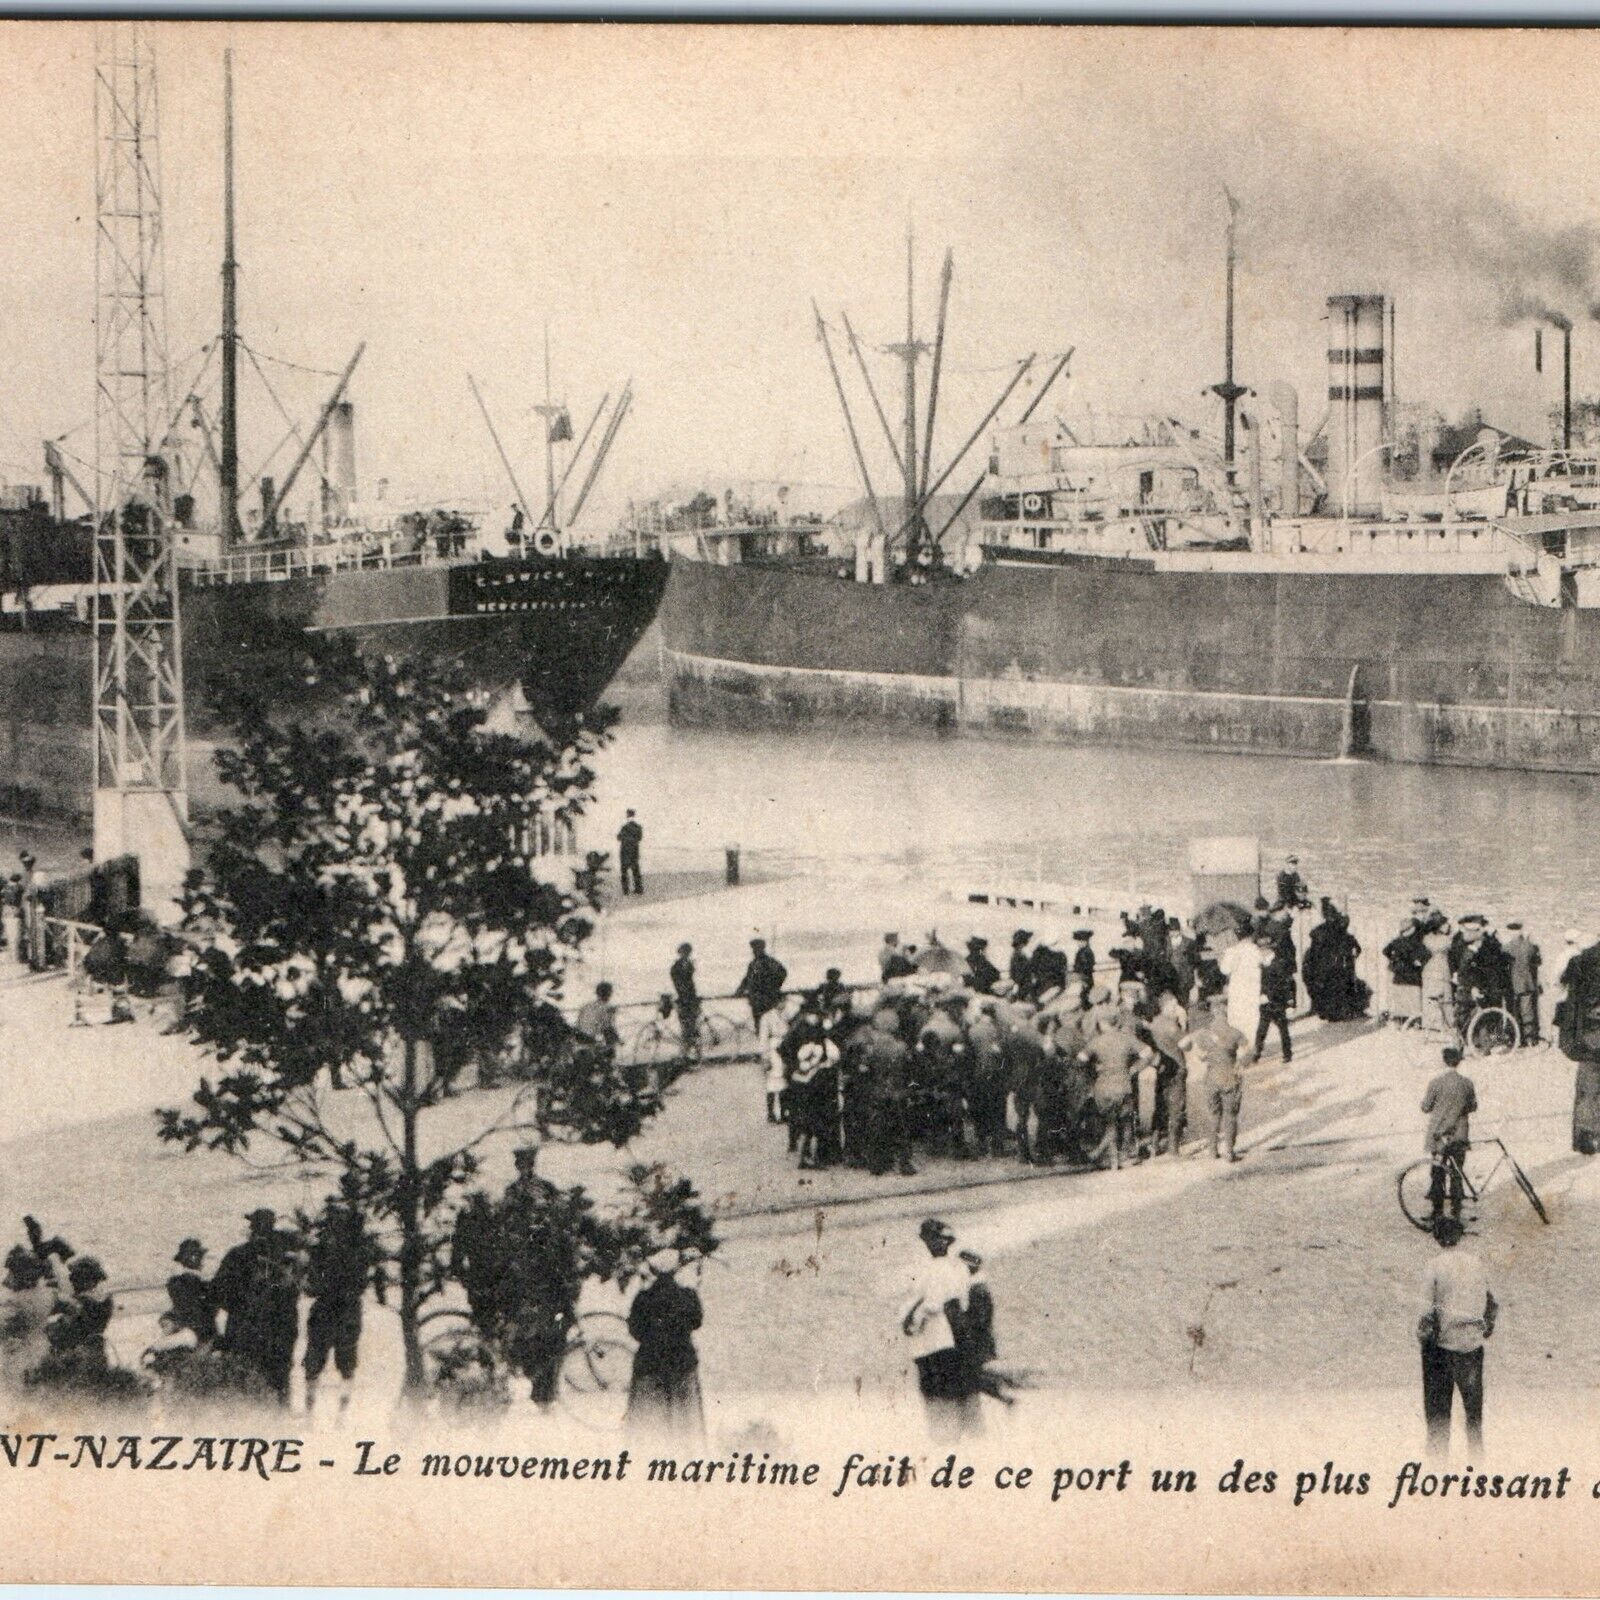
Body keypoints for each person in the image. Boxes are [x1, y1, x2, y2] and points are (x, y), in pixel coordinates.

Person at [303, 1182, 384, 1415]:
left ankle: (315, 1414)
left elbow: (311, 1286)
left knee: (317, 1363)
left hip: (329, 1309)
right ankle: (340, 1415)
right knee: (344, 1364)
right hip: (347, 1310)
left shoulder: (322, 1249)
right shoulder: (360, 1250)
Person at [1418, 1214, 1496, 1456]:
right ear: (1460, 1236)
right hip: (1472, 1347)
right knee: (1474, 1414)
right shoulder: (1476, 1263)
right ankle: (1477, 1462)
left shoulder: (1434, 1266)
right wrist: (1481, 1330)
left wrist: (1426, 1342)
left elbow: (1426, 1313)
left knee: (1438, 1416)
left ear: (1437, 1238)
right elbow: (1491, 1304)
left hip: (1443, 1348)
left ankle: (1437, 1467)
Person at [211, 1209, 301, 1402]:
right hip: (278, 1329)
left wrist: (239, 1306)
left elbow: (218, 1291)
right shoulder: (287, 1258)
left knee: (244, 1381)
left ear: (252, 1228)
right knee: (278, 1381)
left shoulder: (237, 1255)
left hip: (246, 1329)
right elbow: (294, 1292)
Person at [901, 1219, 976, 1439]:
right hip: (947, 1335)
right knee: (949, 1386)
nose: (932, 1244)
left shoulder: (933, 1269)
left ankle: (943, 1437)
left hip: (933, 1337)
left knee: (934, 1388)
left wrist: (912, 1321)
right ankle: (955, 1433)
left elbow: (931, 1304)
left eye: (934, 1240)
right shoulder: (957, 1267)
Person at [626, 1249, 705, 1440]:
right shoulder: (688, 1296)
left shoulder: (643, 1298)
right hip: (682, 1363)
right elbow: (697, 1322)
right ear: (676, 1269)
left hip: (649, 1364)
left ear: (653, 1269)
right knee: (685, 1424)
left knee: (648, 1424)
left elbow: (635, 1330)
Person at [1189, 996, 1251, 1162]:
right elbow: (1248, 1052)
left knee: (1213, 1114)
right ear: (1226, 1013)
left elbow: (1199, 1056)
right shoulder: (1235, 1032)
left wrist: (1210, 1056)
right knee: (1230, 1115)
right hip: (1229, 1076)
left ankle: (1212, 1150)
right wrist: (1239, 1064)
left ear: (1212, 1013)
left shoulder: (1203, 1034)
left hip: (1212, 1077)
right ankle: (1229, 1151)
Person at [1421, 1047, 1477, 1221]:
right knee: (1457, 1172)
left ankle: (1437, 1212)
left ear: (1443, 1061)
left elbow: (1425, 1107)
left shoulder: (1436, 1083)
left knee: (1437, 1172)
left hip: (1439, 1136)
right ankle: (1456, 1212)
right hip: (1459, 1134)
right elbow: (1473, 1106)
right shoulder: (1467, 1083)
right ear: (1458, 1062)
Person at [860, 1005, 916, 1176]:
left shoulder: (871, 1049)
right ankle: (905, 1163)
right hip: (898, 1092)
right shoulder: (901, 1047)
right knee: (901, 1128)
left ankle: (877, 1164)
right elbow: (909, 1070)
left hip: (878, 1092)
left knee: (878, 1128)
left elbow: (864, 1070)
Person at [1558, 933, 1600, 1154]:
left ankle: (1585, 1139)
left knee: (1587, 1088)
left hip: (1584, 1037)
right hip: (1593, 1033)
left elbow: (1566, 988)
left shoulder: (1580, 960)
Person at [1303, 898, 1369, 1022]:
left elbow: (1354, 947)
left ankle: (1333, 1012)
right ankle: (1333, 1012)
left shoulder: (1329, 931)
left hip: (1332, 964)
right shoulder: (1330, 931)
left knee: (1334, 987)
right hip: (1332, 964)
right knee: (1334, 987)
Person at [1146, 990, 1189, 1158]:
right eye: (1173, 1004)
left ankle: (1154, 1145)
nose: (1176, 1008)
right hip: (1177, 1067)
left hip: (1162, 1068)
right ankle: (1173, 1148)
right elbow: (1187, 1044)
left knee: (1160, 1106)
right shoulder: (1172, 1025)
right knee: (1176, 1108)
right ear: (1167, 1005)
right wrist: (1183, 1025)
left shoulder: (1154, 1023)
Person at [1383, 906, 1429, 1027]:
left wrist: (1393, 959)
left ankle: (1401, 1019)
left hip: (1399, 972)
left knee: (1400, 996)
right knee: (1413, 997)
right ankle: (1414, 1020)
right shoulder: (1416, 941)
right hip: (1412, 973)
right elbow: (1426, 954)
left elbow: (1385, 951)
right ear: (1412, 929)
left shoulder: (1397, 941)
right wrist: (1419, 962)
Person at [1254, 929, 1296, 1062]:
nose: (1259, 952)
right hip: (1265, 1002)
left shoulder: (1278, 963)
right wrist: (1261, 994)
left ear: (1268, 950)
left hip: (1277, 1001)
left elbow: (1287, 983)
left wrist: (1290, 1002)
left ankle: (1287, 1054)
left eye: (1261, 949)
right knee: (1262, 1030)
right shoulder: (1262, 964)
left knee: (1283, 1029)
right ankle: (1257, 1053)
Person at [165, 1238, 217, 1346]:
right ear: (193, 1258)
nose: (202, 1261)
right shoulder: (195, 1281)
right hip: (201, 1331)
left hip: (185, 1326)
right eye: (200, 1256)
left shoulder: (175, 1281)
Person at [1219, 929, 1266, 1040]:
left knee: (1237, 1017)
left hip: (1238, 989)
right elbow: (1263, 963)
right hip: (1252, 987)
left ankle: (1240, 1044)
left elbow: (1224, 970)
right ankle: (1251, 1044)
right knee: (1251, 1017)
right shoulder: (1254, 949)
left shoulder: (1232, 951)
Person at [759, 994, 798, 1127]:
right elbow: (763, 1038)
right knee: (772, 1082)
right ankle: (771, 1113)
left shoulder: (786, 1016)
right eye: (782, 1002)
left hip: (784, 1048)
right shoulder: (767, 1017)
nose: (784, 1005)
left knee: (783, 1081)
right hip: (773, 1049)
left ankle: (783, 1112)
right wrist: (765, 1057)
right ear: (776, 1002)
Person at [734, 938, 787, 1029]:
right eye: (753, 949)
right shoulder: (753, 964)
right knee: (759, 1026)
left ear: (762, 949)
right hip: (756, 1002)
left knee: (770, 1025)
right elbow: (747, 979)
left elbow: (783, 973)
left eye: (756, 949)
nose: (754, 951)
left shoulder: (770, 962)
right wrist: (740, 990)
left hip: (769, 1001)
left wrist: (774, 986)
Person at [1504, 921, 1541, 1046]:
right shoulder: (1529, 946)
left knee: (1513, 1012)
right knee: (1527, 1011)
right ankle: (1530, 1039)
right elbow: (1536, 960)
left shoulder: (1506, 947)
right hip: (1527, 983)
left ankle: (1516, 1039)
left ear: (1510, 932)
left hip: (1512, 984)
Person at [1420, 914, 1454, 1035]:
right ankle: (1446, 1024)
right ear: (1439, 926)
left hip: (1428, 970)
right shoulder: (1446, 940)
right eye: (1445, 924)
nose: (1448, 925)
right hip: (1441, 970)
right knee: (1445, 999)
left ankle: (1430, 1024)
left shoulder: (1426, 938)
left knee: (1430, 998)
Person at [669, 943, 701, 1058]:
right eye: (684, 952)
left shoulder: (689, 964)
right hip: (684, 999)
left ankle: (694, 1054)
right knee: (685, 1027)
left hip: (691, 999)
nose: (686, 954)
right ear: (680, 953)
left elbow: (689, 982)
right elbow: (677, 981)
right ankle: (686, 1054)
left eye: (687, 952)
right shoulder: (676, 966)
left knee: (693, 1026)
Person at [574, 982, 621, 1053]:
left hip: (580, 1038)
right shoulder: (607, 1008)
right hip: (593, 1040)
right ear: (609, 994)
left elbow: (578, 1023)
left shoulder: (586, 1006)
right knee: (610, 1039)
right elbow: (608, 1027)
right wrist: (618, 1039)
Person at [616, 810, 644, 896]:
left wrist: (625, 840)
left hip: (625, 852)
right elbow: (639, 838)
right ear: (634, 816)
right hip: (634, 851)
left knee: (624, 872)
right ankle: (638, 889)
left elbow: (619, 837)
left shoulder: (624, 827)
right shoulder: (638, 827)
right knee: (636, 871)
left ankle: (626, 890)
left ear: (627, 816)